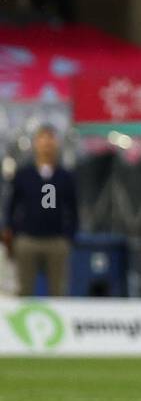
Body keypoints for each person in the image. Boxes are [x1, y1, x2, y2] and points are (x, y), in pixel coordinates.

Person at [3, 125, 78, 296]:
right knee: (24, 290)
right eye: (42, 139)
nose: (46, 144)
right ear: (36, 143)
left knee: (58, 291)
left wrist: (69, 236)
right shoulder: (24, 174)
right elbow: (12, 205)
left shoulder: (65, 176)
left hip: (56, 240)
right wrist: (12, 231)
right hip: (28, 239)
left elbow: (73, 209)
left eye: (50, 139)